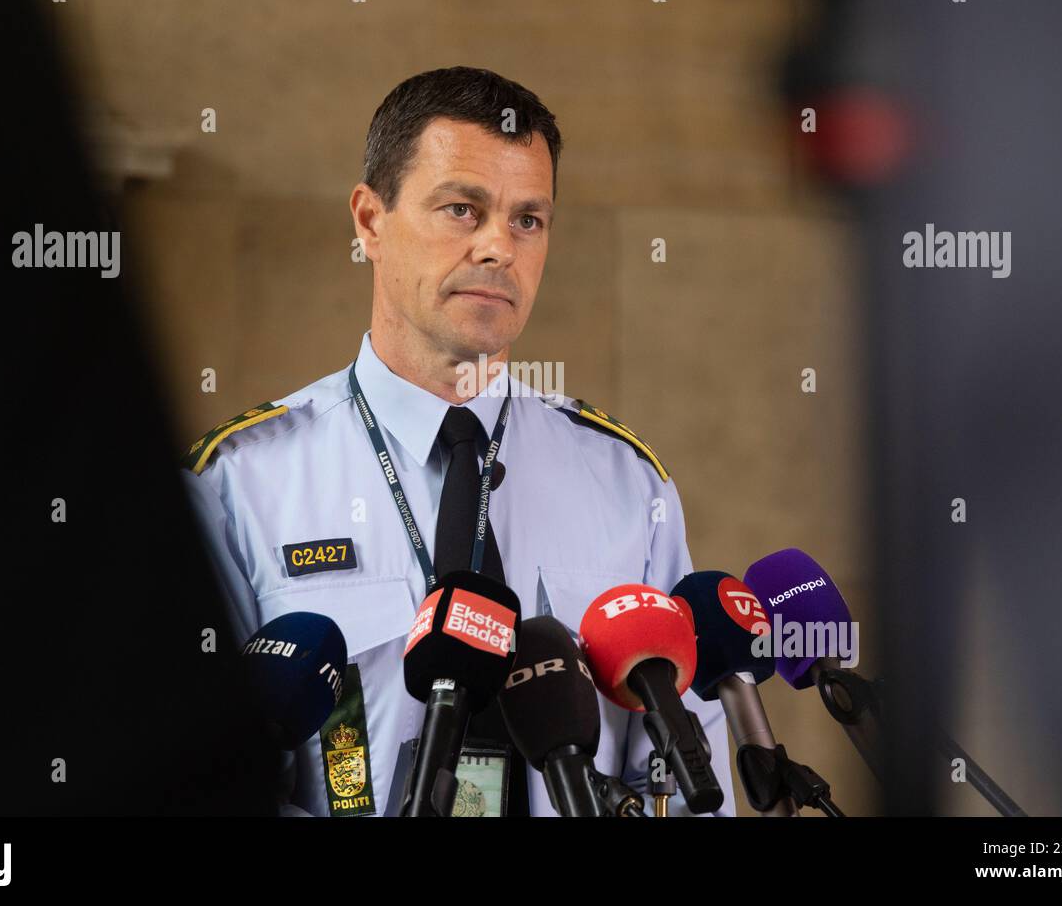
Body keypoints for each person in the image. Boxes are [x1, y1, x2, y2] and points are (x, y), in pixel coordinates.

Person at [181, 66, 734, 816]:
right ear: (370, 222)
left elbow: (686, 781)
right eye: (462, 210)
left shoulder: (624, 481)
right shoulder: (243, 483)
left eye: (528, 220)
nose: (499, 248)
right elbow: (195, 779)